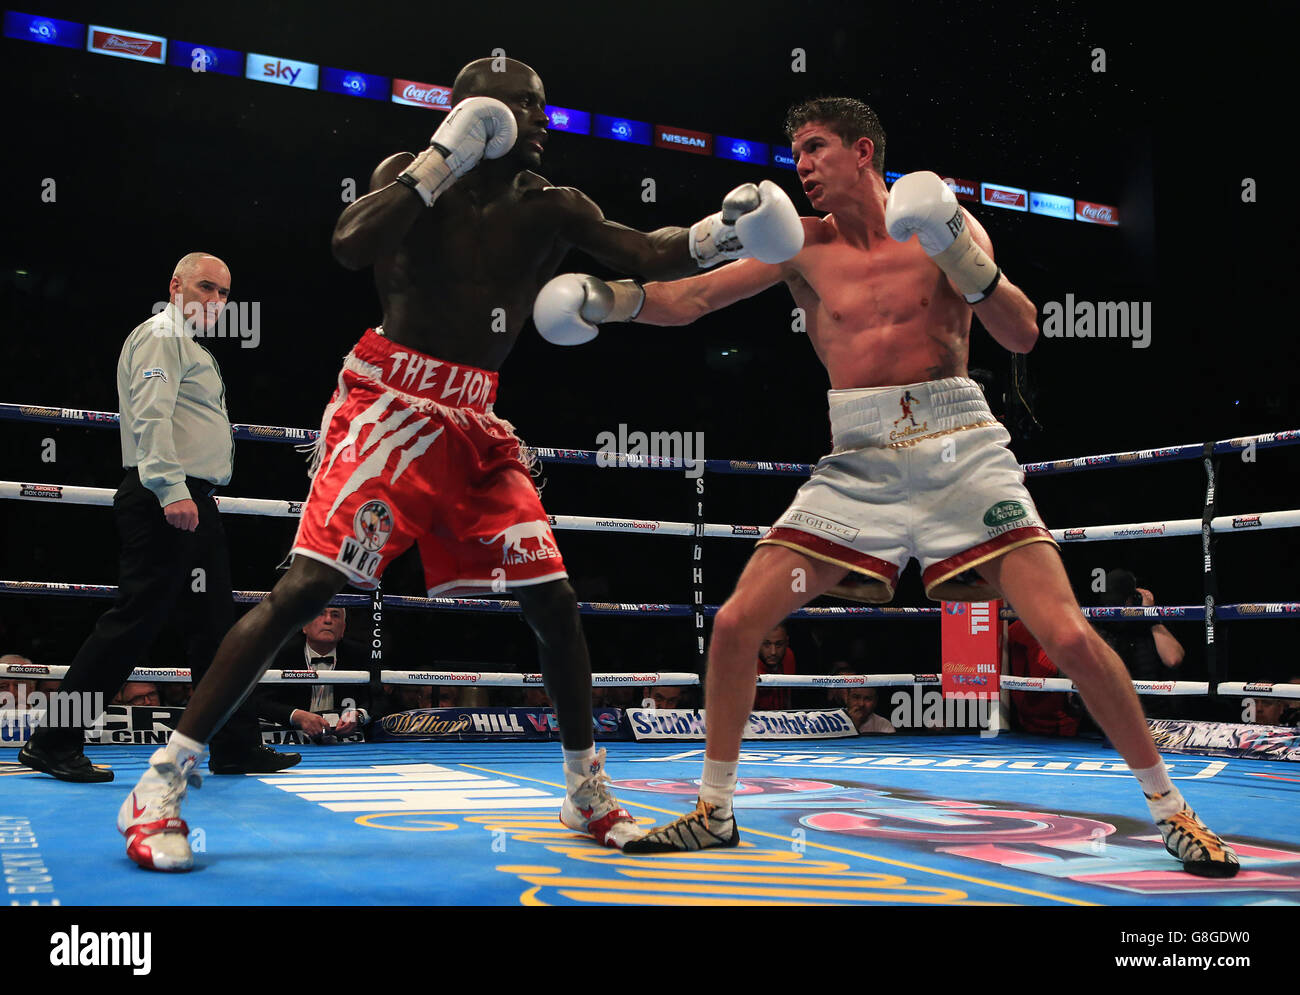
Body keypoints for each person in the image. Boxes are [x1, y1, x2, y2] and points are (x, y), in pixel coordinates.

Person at [117, 57, 804, 871]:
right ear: (479, 110)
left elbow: (646, 252)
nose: (542, 121)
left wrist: (723, 232)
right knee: (308, 588)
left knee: (554, 601)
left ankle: (586, 787)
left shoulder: (554, 205)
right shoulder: (406, 178)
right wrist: (441, 159)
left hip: (476, 420)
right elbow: (349, 243)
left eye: (545, 106)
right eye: (524, 106)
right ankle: (162, 780)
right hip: (389, 406)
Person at [537, 96, 1238, 876]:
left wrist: (956, 249)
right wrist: (607, 301)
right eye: (795, 153)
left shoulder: (942, 221)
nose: (800, 166)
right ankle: (715, 810)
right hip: (857, 458)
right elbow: (692, 298)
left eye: (814, 148)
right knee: (738, 622)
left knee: (1067, 634)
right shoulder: (794, 242)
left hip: (961, 448)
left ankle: (1175, 813)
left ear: (863, 151)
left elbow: (1022, 331)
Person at [19, 254, 298, 784]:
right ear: (176, 286)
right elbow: (150, 417)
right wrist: (171, 489)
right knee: (133, 623)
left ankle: (235, 743)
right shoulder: (161, 335)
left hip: (196, 501)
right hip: (165, 498)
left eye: (223, 294)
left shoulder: (188, 344)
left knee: (219, 631)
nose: (216, 301)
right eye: (206, 288)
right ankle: (53, 741)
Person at [258, 606, 374, 741]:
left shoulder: (360, 655)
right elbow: (259, 700)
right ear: (304, 625)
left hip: (346, 741)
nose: (328, 620)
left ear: (343, 628)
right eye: (320, 613)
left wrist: (358, 716)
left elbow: (377, 699)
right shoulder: (280, 654)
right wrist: (295, 715)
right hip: (289, 738)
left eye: (335, 615)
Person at [752, 624, 794, 710]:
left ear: (787, 642)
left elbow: (787, 697)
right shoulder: (746, 667)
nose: (773, 652)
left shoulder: (788, 656)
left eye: (779, 644)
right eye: (766, 644)